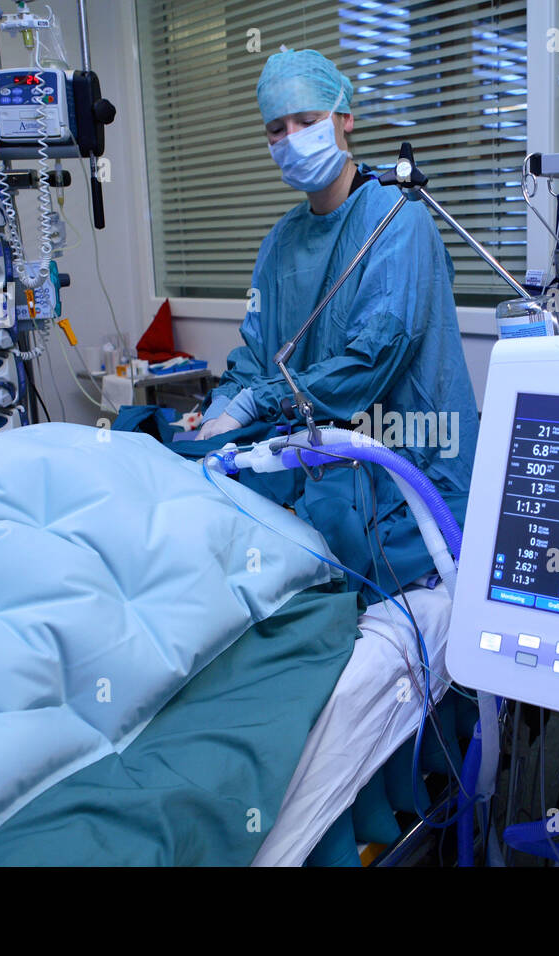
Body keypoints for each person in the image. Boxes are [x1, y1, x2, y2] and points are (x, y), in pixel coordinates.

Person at [195, 48, 479, 593]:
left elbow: (371, 362)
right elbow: (254, 355)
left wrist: (258, 401)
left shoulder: (399, 220)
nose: (292, 138)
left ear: (345, 119)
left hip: (403, 475)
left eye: (307, 121)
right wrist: (222, 407)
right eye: (277, 129)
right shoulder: (279, 243)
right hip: (314, 471)